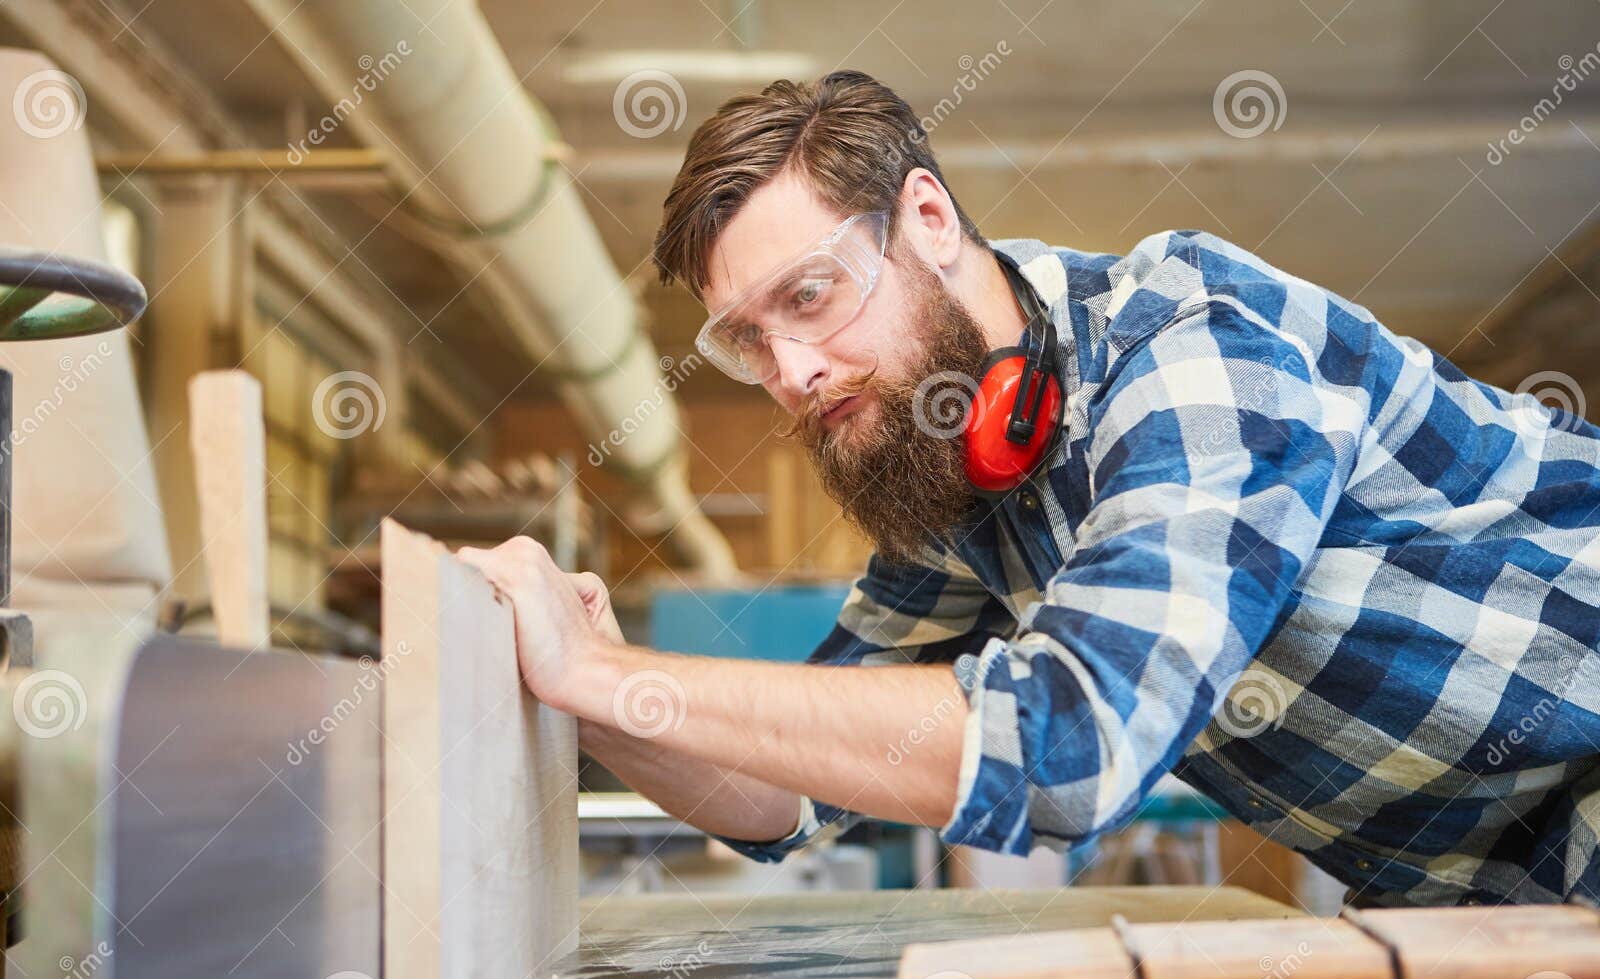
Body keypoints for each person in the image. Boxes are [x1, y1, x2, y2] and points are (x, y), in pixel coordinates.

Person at [459, 71, 1600, 907]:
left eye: (808, 296)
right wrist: (597, 689)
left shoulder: (1192, 345)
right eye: (749, 340)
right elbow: (789, 801)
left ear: (927, 219)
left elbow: (1071, 741)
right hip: (1478, 894)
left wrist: (610, 671)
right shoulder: (954, 472)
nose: (791, 371)